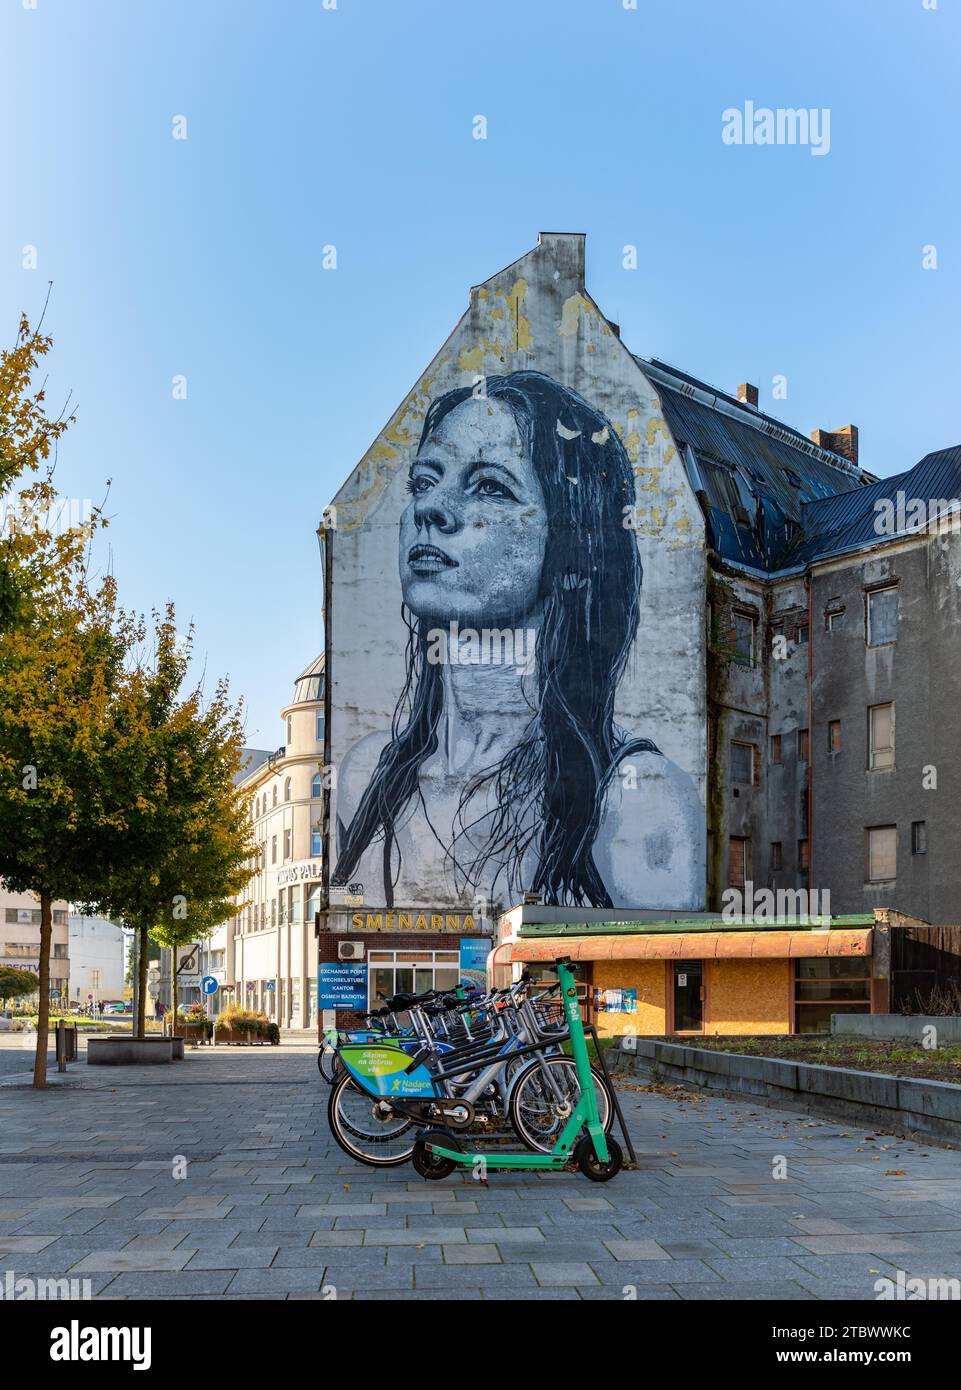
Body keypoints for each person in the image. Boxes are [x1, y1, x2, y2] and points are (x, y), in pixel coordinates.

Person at [332, 370, 701, 911]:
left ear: (577, 552)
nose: (432, 509)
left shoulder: (637, 794)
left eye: (490, 487)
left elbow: (658, 981)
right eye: (423, 481)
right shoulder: (365, 777)